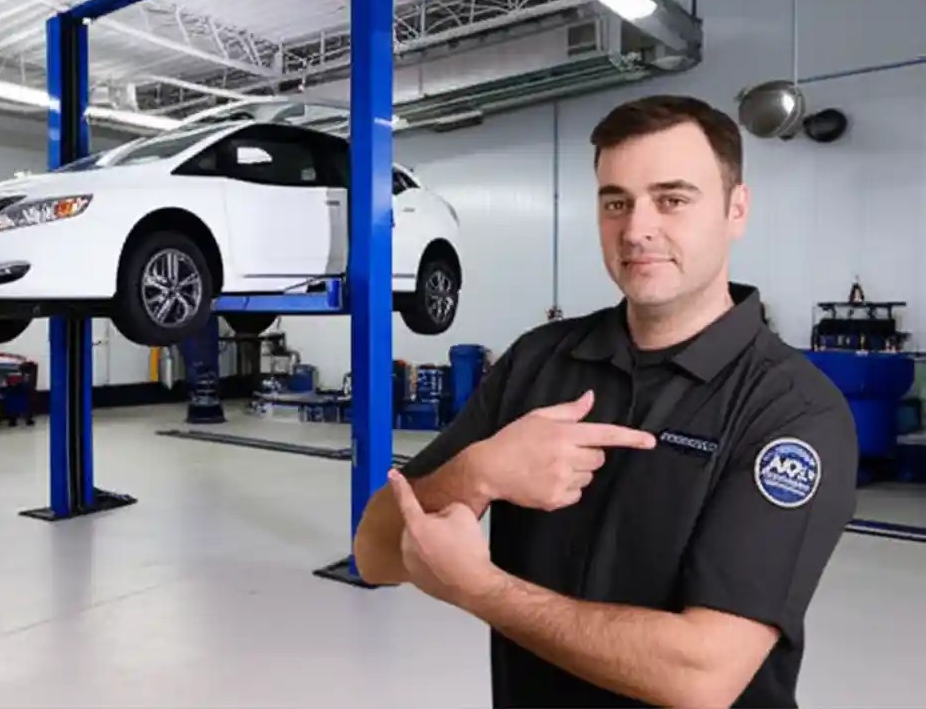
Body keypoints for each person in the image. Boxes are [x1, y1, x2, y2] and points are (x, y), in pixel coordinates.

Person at [352, 94, 857, 708]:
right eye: (615, 201)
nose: (637, 228)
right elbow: (375, 553)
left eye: (672, 199)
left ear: (736, 209)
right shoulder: (538, 362)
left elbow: (701, 676)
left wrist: (482, 589)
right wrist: (479, 472)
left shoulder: (792, 411)